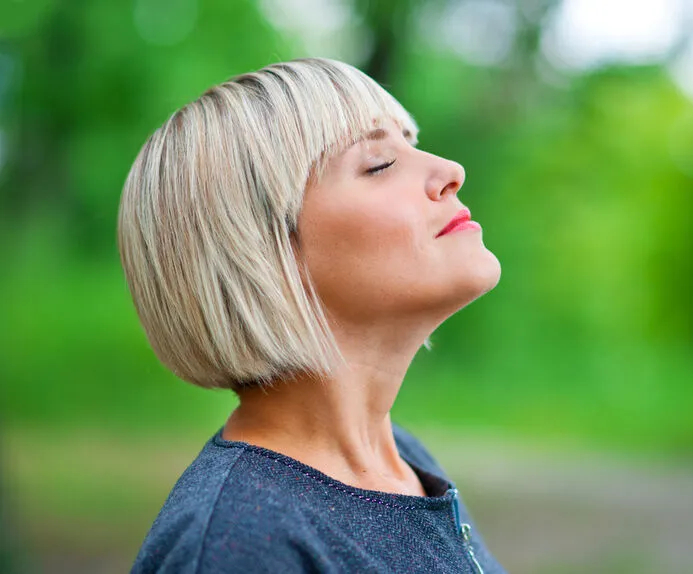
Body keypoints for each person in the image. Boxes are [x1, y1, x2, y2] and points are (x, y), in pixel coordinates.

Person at [119, 58, 504, 573]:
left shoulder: (405, 464)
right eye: (379, 164)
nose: (449, 171)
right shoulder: (241, 545)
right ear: (263, 254)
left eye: (410, 143)